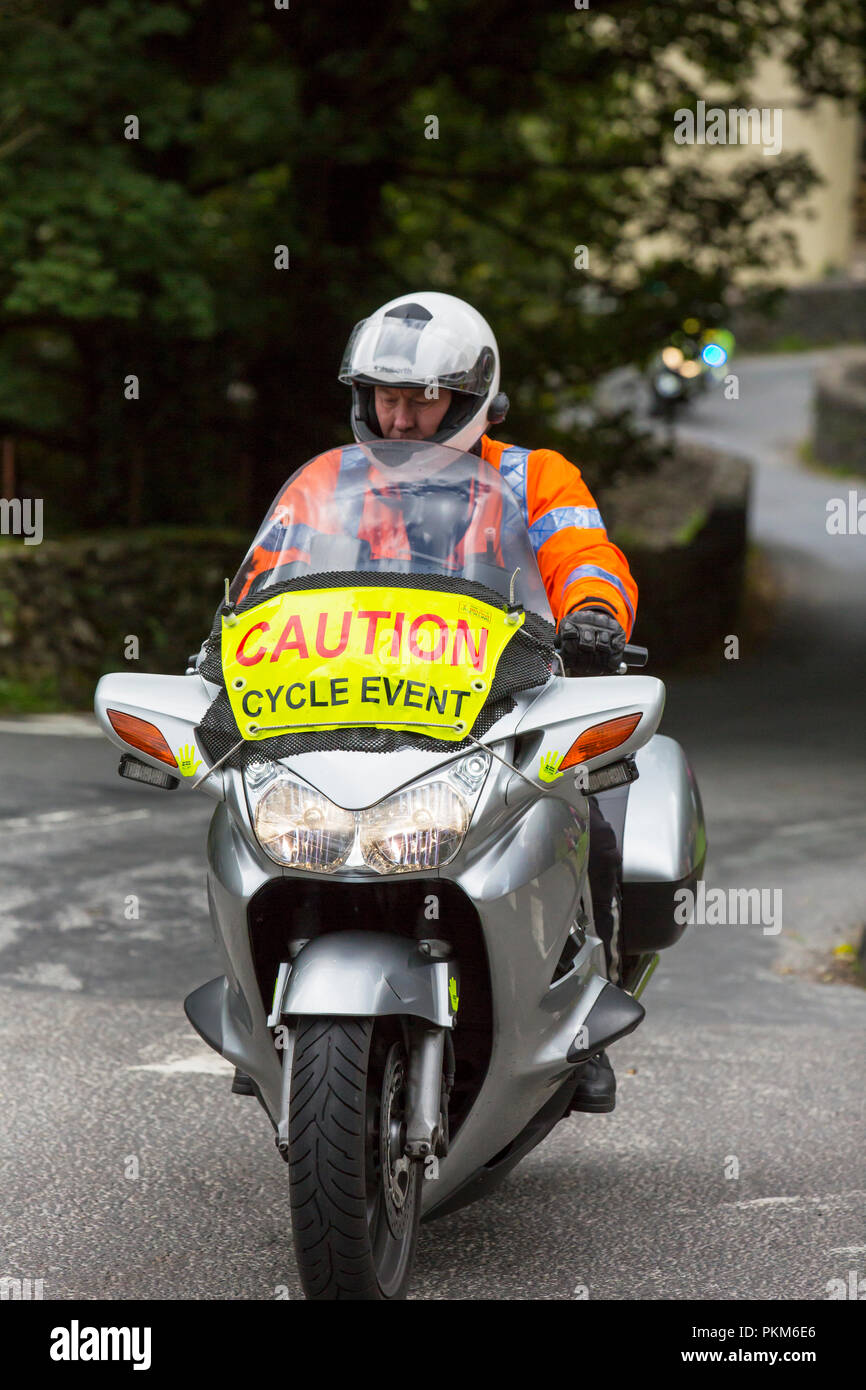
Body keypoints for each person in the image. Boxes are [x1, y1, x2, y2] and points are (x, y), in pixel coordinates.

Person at [234, 292, 639, 1113]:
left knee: (585, 808)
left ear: (469, 398)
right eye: (386, 396)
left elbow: (587, 554)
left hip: (499, 696)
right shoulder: (324, 483)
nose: (401, 416)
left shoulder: (534, 475)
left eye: (421, 399)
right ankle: (258, 1010)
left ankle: (587, 1009)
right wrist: (230, 635)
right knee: (252, 816)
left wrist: (594, 612)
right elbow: (262, 575)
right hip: (344, 698)